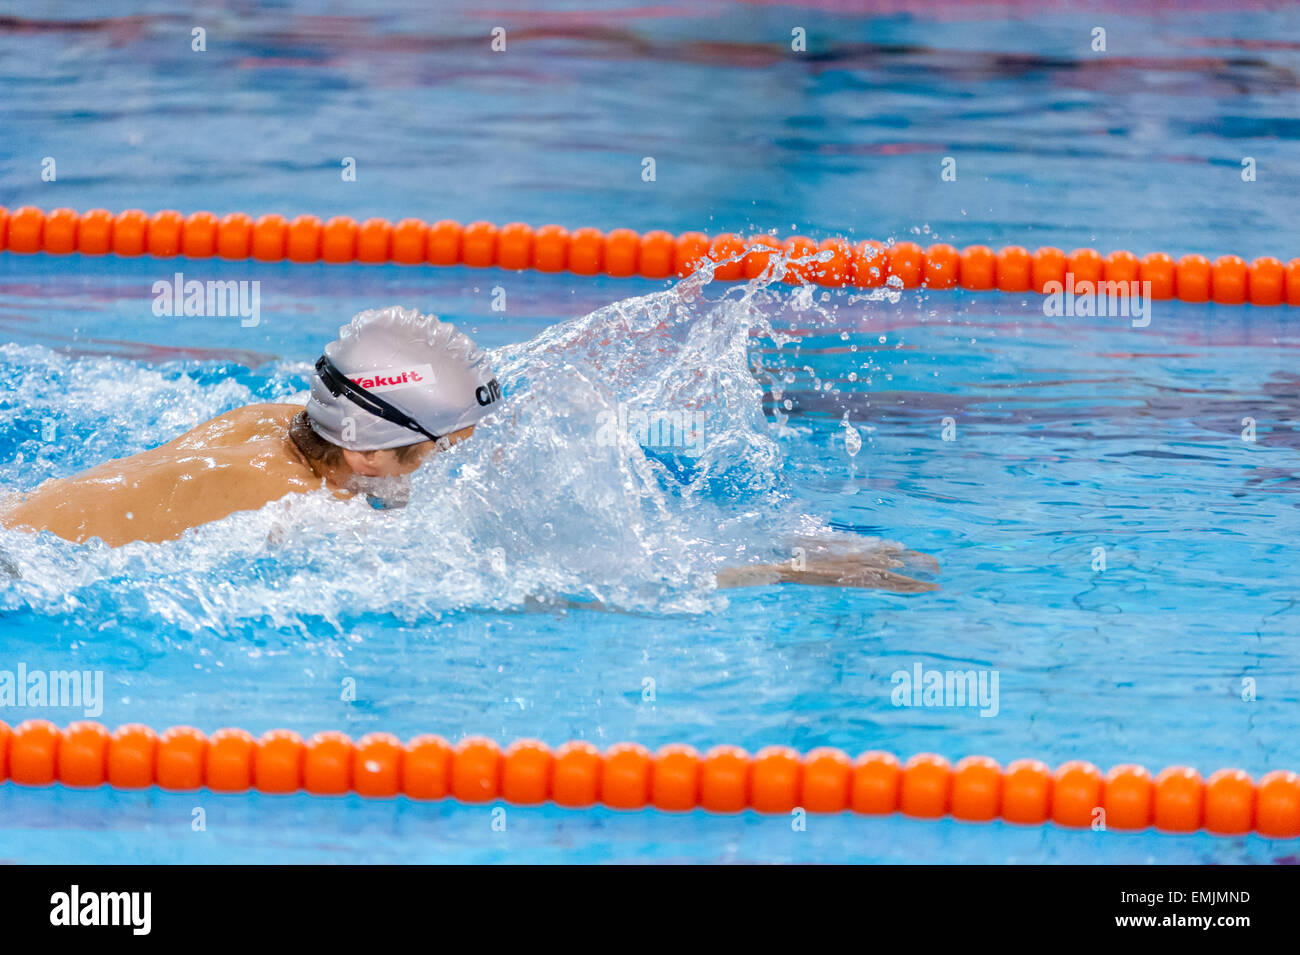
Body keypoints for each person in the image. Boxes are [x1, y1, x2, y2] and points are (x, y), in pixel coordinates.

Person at [1, 306, 936, 592]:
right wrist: (774, 571)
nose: (461, 461)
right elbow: (541, 588)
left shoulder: (264, 422)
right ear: (369, 454)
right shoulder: (293, 512)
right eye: (446, 445)